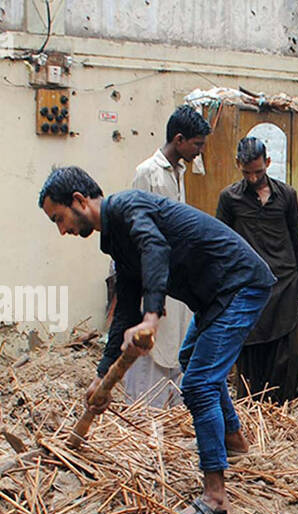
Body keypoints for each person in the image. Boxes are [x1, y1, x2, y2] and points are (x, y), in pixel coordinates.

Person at [39, 166, 275, 514]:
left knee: (198, 384)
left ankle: (216, 499)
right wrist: (102, 376)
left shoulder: (129, 207)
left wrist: (152, 317)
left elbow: (154, 246)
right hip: (216, 298)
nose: (63, 230)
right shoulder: (115, 240)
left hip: (240, 285)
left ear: (79, 201)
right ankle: (235, 442)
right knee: (190, 359)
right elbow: (125, 307)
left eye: (60, 218)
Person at [216, 136, 298, 403]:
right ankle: (250, 410)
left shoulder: (286, 195)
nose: (254, 178)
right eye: (247, 173)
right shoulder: (230, 198)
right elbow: (220, 244)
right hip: (249, 285)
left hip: (285, 284)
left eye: (258, 171)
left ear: (268, 163)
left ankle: (281, 408)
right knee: (250, 351)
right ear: (238, 165)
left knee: (285, 355)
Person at [124, 105, 213, 409]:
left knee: (176, 338)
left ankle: (171, 410)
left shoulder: (180, 172)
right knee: (153, 344)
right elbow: (135, 232)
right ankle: (145, 411)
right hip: (154, 275)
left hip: (176, 274)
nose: (199, 152)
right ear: (179, 139)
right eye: (197, 144)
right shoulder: (147, 173)